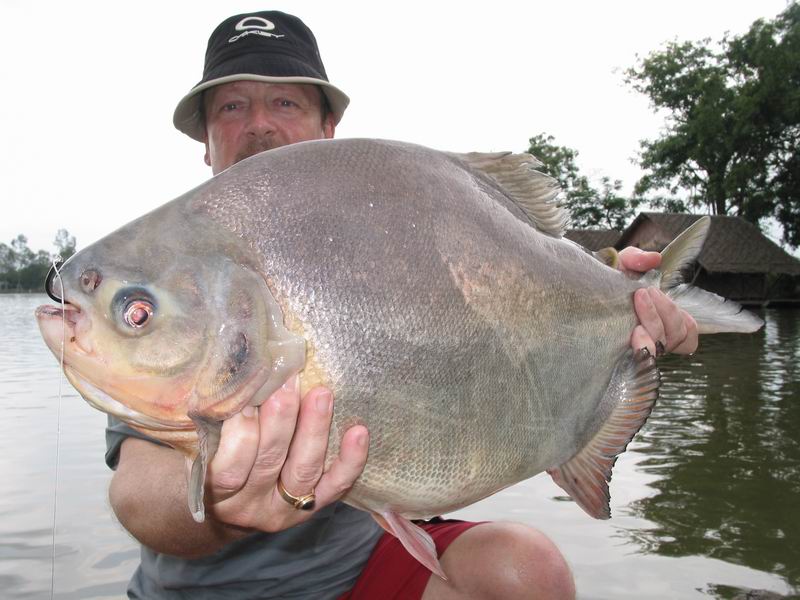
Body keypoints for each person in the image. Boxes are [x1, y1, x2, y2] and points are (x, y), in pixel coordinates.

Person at [107, 10, 698, 599]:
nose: (259, 125)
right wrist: (216, 502)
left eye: (285, 103)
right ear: (205, 144)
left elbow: (514, 294)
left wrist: (619, 301)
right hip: (200, 593)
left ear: (326, 130)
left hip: (360, 568)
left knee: (528, 570)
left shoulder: (393, 236)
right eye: (231, 107)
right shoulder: (180, 276)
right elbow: (138, 491)